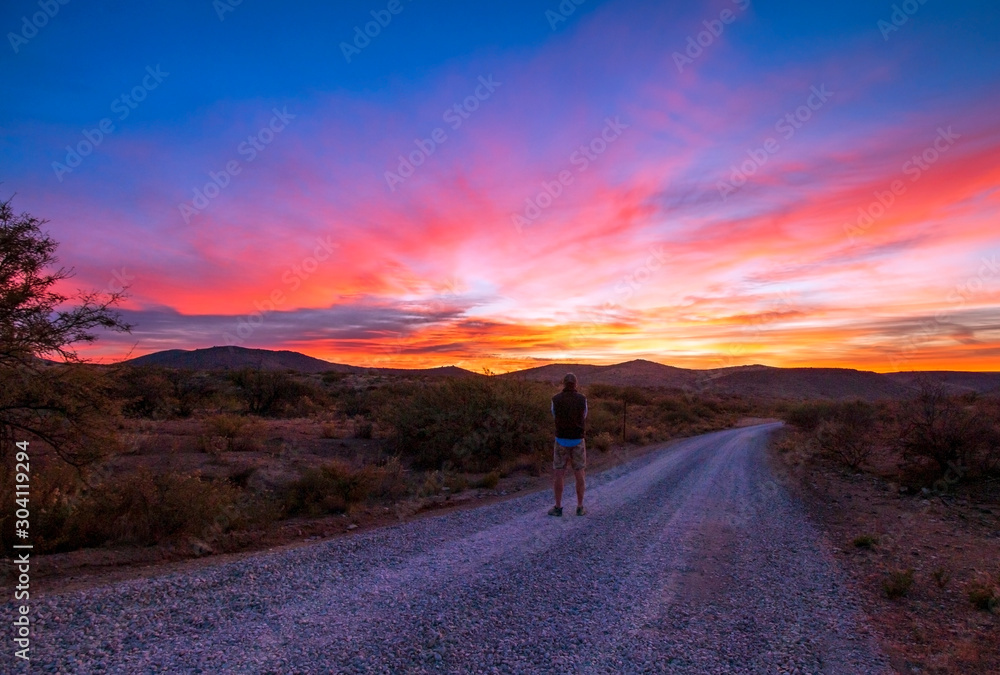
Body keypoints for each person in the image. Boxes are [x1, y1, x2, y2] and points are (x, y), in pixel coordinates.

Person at [549, 372, 588, 517]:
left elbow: (554, 416)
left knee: (559, 473)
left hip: (561, 440)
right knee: (579, 473)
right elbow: (584, 416)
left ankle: (558, 507)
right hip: (577, 440)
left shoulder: (555, 399)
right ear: (576, 384)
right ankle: (580, 506)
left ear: (563, 383)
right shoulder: (582, 399)